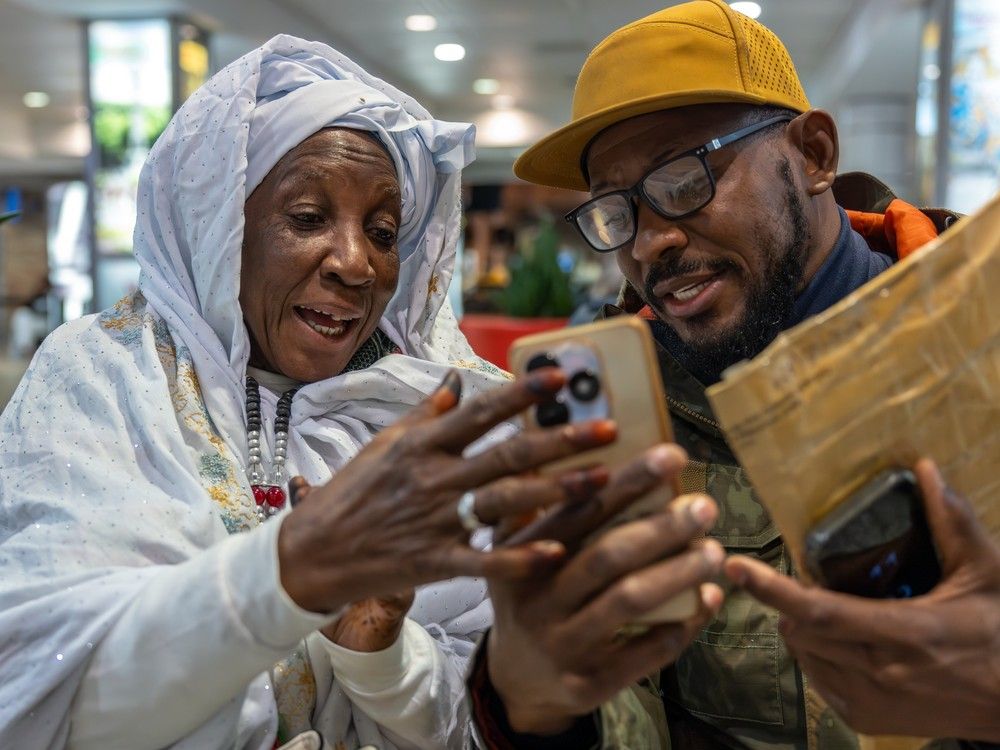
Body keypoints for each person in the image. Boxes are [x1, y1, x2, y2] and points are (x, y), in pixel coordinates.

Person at [0, 36, 674, 750]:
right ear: (219, 229)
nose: (357, 264)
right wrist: (289, 574)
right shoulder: (106, 377)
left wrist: (382, 660)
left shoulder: (441, 413)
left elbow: (491, 706)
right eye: (307, 218)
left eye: (382, 232)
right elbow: (33, 686)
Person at [468, 1, 1000, 747]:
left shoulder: (982, 332)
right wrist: (539, 709)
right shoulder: (621, 417)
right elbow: (625, 701)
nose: (648, 244)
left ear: (814, 155)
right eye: (617, 211)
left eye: (684, 179)